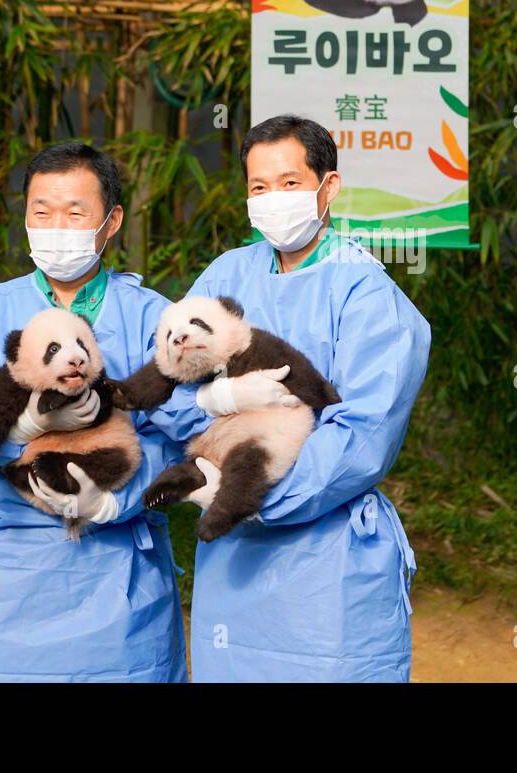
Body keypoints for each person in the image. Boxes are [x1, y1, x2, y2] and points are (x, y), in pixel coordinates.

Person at [0, 143, 292, 682]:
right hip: (11, 580)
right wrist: (25, 425)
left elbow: (184, 433)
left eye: (75, 213)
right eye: (41, 212)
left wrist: (112, 501)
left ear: (112, 220)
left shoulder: (154, 318)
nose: (56, 226)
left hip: (121, 582)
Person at [151, 114, 431, 682]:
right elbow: (167, 381)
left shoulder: (366, 293)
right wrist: (216, 400)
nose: (272, 199)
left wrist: (243, 497)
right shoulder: (227, 275)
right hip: (233, 567)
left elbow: (362, 438)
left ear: (327, 187)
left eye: (289, 184)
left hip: (326, 562)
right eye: (258, 187)